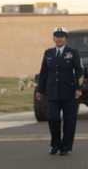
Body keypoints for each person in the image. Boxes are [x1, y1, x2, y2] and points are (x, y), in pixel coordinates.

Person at [35, 27, 84, 156]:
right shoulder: (48, 53)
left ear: (66, 39)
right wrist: (40, 90)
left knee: (69, 120)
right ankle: (55, 144)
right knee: (52, 118)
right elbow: (44, 73)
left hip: (69, 92)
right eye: (57, 36)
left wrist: (78, 88)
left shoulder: (73, 53)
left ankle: (65, 147)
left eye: (62, 37)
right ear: (54, 38)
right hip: (52, 92)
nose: (59, 39)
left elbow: (80, 72)